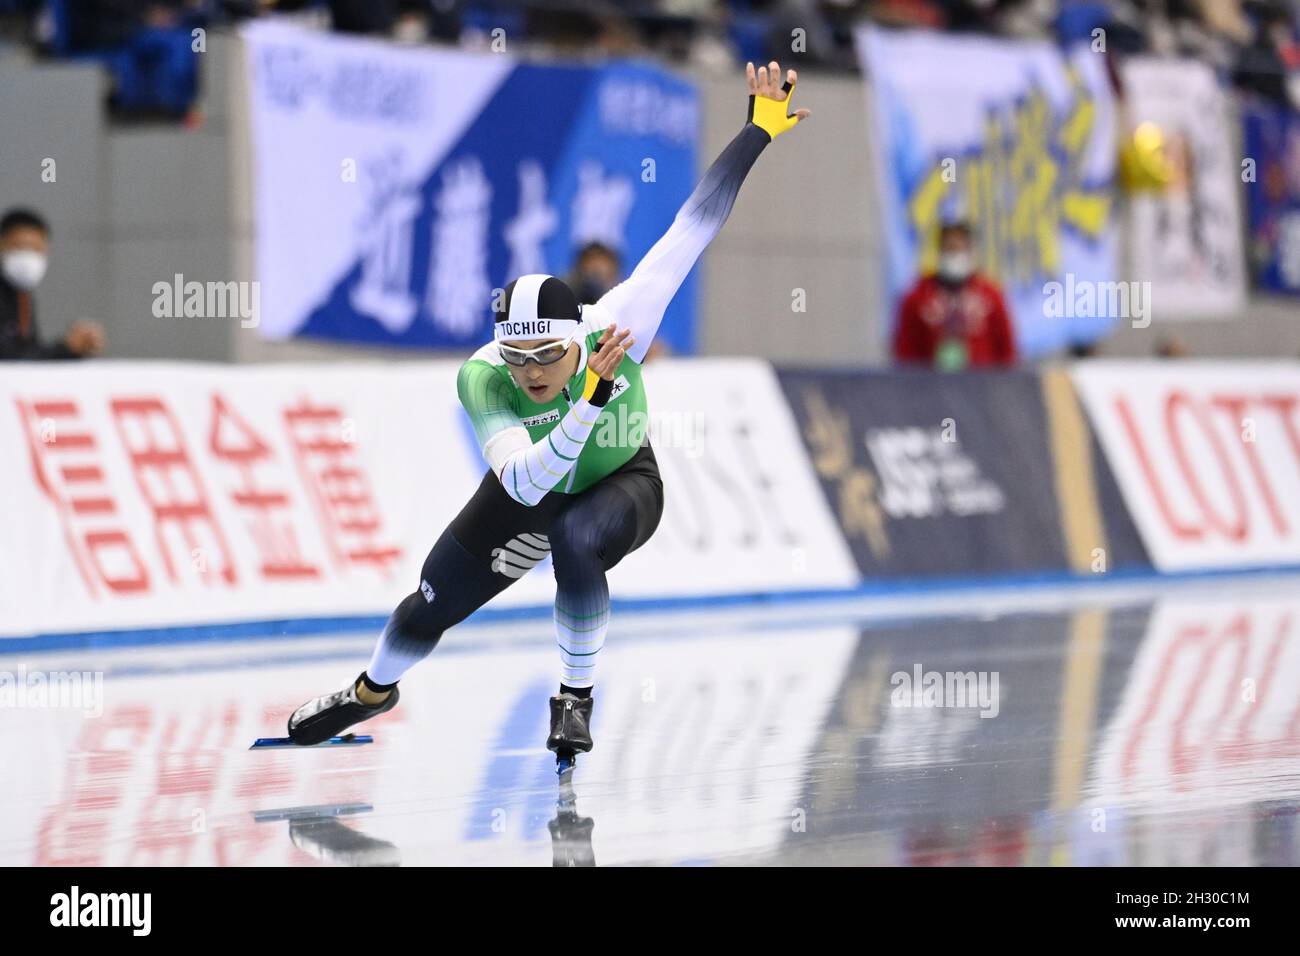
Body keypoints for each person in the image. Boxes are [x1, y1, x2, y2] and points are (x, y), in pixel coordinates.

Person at [285, 61, 811, 766]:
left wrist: (757, 133)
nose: (530, 373)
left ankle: (574, 697)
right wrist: (589, 396)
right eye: (517, 358)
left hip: (622, 481)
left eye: (546, 358)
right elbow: (525, 486)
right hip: (531, 489)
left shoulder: (622, 320)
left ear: (578, 337)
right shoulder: (483, 379)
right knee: (428, 605)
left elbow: (695, 224)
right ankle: (372, 690)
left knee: (576, 537)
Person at [891, 221, 1016, 370]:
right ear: (940, 251)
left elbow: (1007, 351)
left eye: (961, 249)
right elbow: (905, 353)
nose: (955, 255)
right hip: (930, 386)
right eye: (950, 248)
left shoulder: (990, 295)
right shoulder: (917, 297)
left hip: (981, 386)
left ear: (970, 252)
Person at [0, 209, 106, 360]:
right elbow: (9, 356)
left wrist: (73, 348)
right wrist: (66, 348)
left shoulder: (22, 295)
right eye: (20, 247)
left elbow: (28, 352)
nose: (27, 257)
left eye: (37, 249)